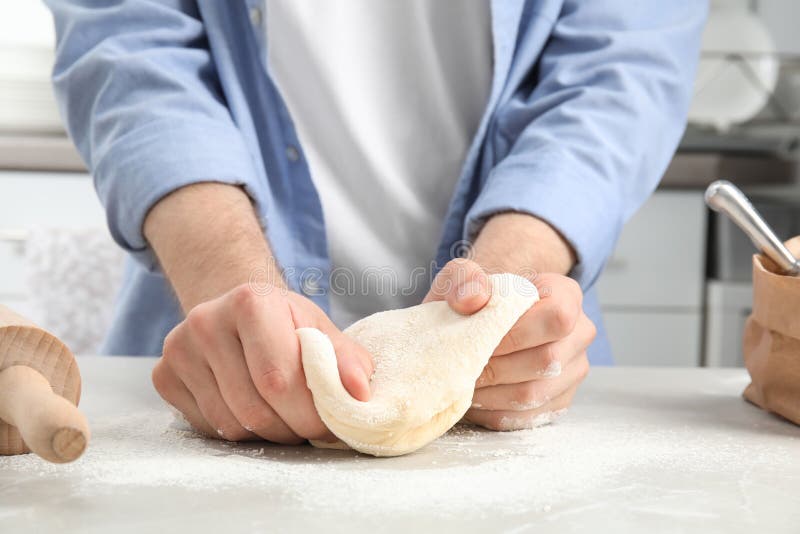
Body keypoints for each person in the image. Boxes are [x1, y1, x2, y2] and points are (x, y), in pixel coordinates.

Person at [45, 1, 706, 444]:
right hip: (219, 368)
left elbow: (619, 73)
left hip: (518, 376)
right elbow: (129, 42)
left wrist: (501, 297)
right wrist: (228, 283)